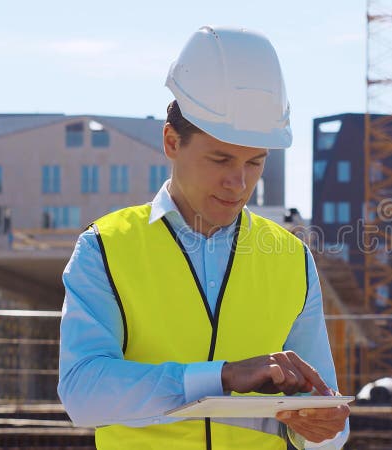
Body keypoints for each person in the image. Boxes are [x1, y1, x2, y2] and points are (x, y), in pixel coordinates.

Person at [57, 26, 350, 449]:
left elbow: (328, 421)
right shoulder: (104, 248)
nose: (239, 182)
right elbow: (84, 392)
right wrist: (222, 376)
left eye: (255, 163)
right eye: (221, 158)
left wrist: (323, 430)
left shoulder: (292, 259)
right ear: (171, 141)